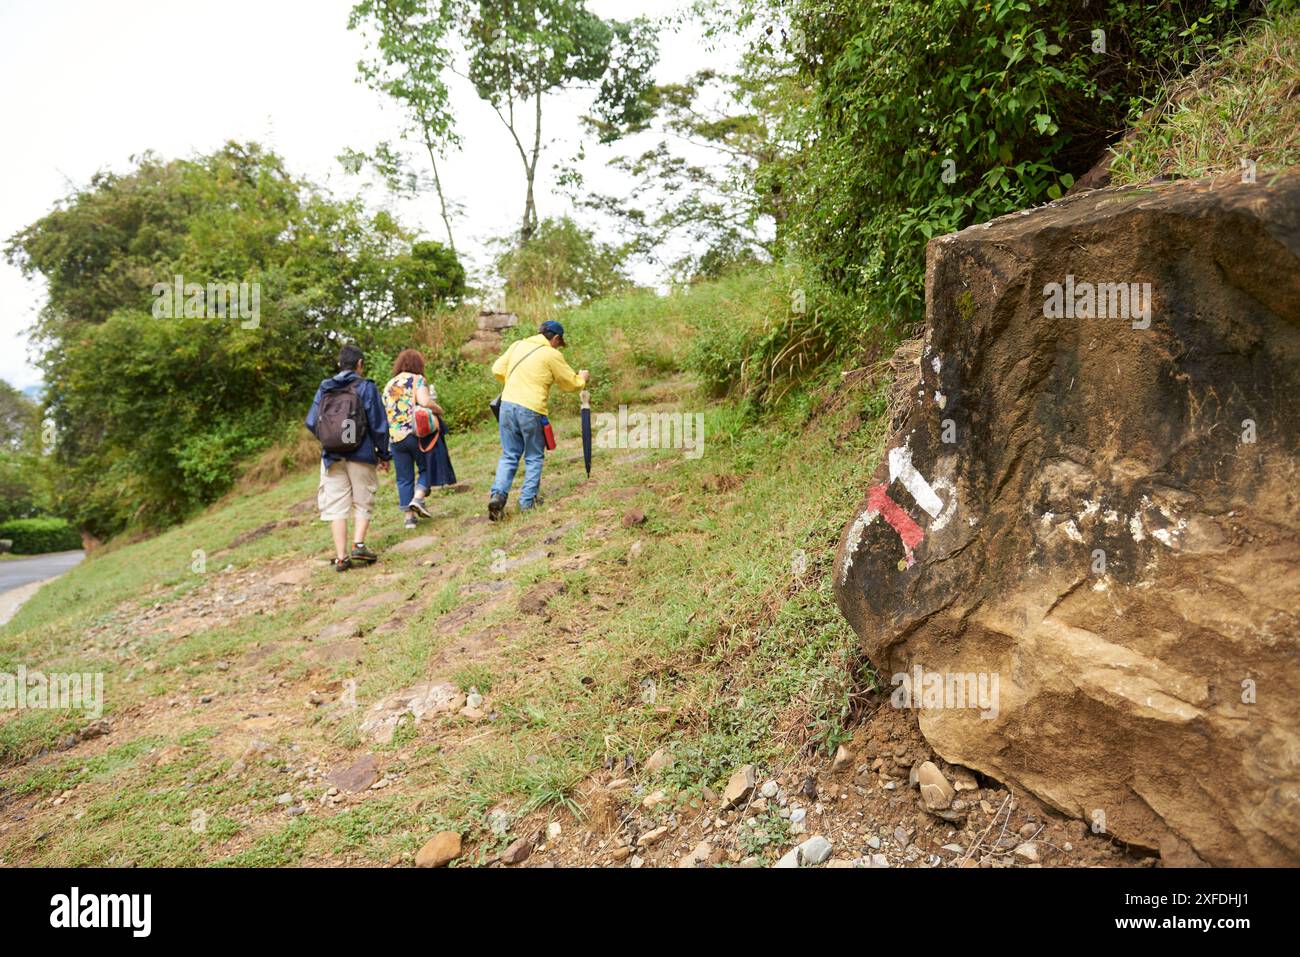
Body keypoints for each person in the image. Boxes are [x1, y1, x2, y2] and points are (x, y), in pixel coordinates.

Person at [488, 319, 589, 521]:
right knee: (534, 456)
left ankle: (498, 495)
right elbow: (570, 383)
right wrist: (582, 378)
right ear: (557, 338)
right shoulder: (551, 354)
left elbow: (497, 370)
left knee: (509, 454)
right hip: (531, 408)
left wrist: (517, 382)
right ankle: (527, 502)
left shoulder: (517, 345)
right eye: (559, 343)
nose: (559, 346)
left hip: (507, 405)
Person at [305, 344, 391, 571]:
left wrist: (332, 438)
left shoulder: (325, 387)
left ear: (339, 365)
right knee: (363, 500)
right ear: (360, 364)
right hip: (361, 454)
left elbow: (312, 422)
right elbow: (378, 425)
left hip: (332, 456)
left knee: (336, 506)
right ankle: (359, 545)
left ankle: (342, 557)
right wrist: (383, 454)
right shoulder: (366, 387)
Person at [382, 349, 454, 530]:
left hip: (395, 437)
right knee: (426, 466)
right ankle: (418, 498)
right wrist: (438, 409)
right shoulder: (416, 379)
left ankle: (409, 519)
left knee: (404, 477)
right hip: (415, 433)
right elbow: (425, 401)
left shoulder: (389, 384)